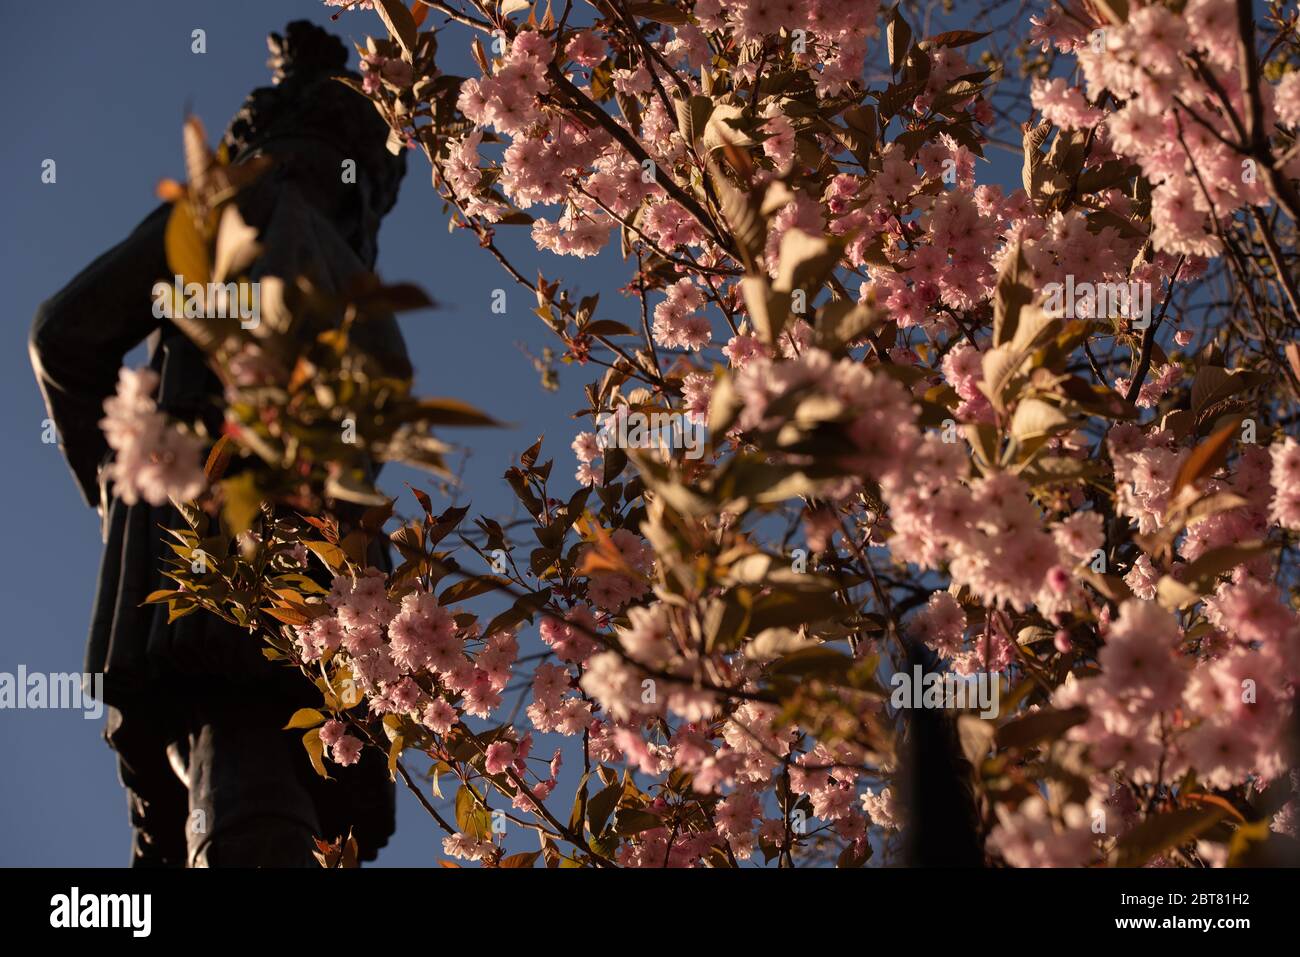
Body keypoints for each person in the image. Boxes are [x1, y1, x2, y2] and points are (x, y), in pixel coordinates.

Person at [29, 20, 408, 867]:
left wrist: (131, 479)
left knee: (222, 786)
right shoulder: (337, 263)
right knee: (262, 784)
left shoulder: (245, 211)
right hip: (322, 578)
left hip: (217, 557)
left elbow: (65, 335)